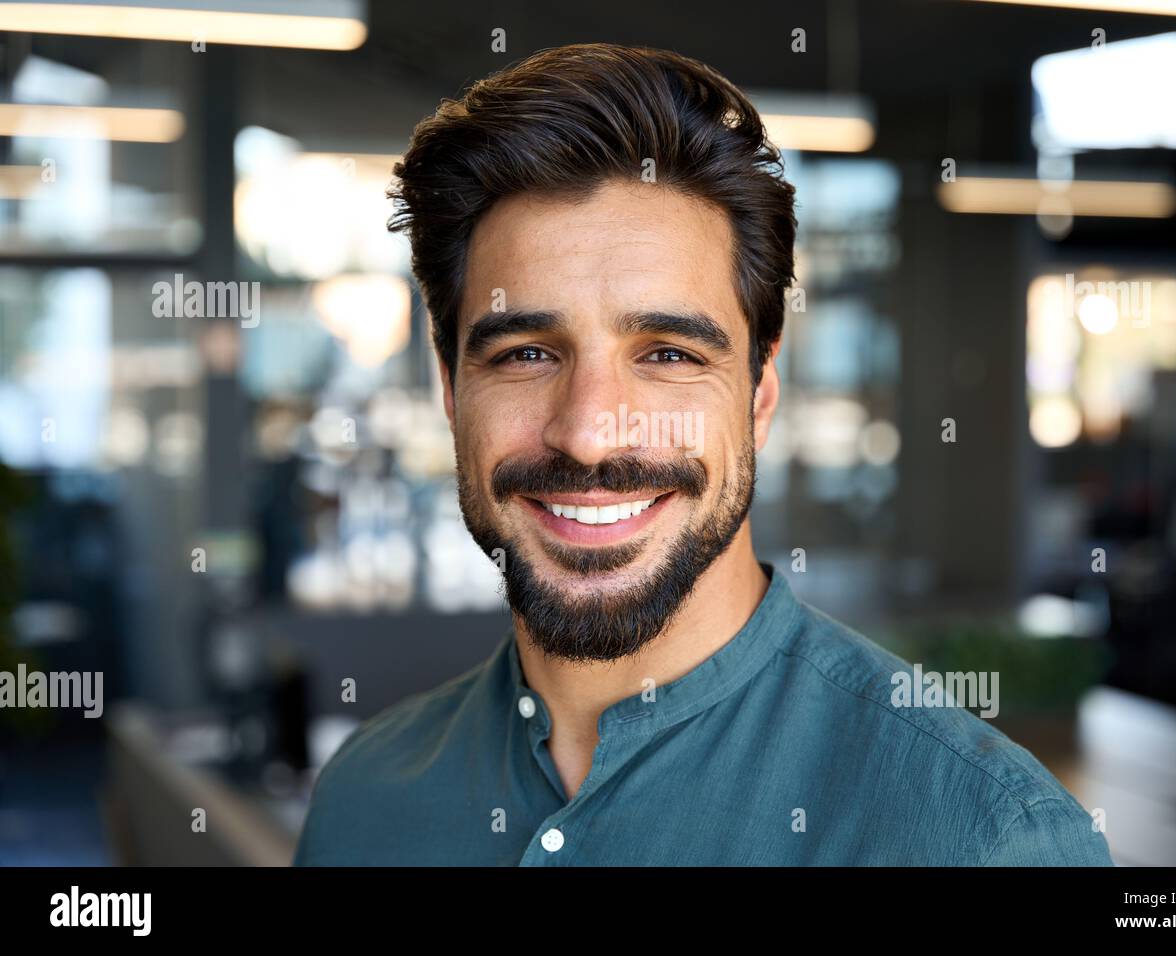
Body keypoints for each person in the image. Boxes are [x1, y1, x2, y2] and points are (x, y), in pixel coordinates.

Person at [294, 42, 1113, 866]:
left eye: (669, 355)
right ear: (450, 388)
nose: (589, 432)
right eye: (526, 354)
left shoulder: (992, 842)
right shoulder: (365, 800)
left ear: (760, 395)